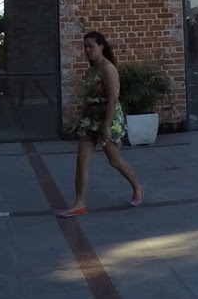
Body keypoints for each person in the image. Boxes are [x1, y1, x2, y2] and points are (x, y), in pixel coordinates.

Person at [59, 31, 143, 217]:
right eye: (85, 47)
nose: (87, 50)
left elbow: (113, 98)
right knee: (82, 158)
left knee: (114, 160)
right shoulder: (91, 70)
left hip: (109, 118)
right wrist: (80, 119)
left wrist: (106, 126)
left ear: (101, 47)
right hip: (91, 118)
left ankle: (137, 187)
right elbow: (88, 99)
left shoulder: (108, 69)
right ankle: (79, 203)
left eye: (91, 46)